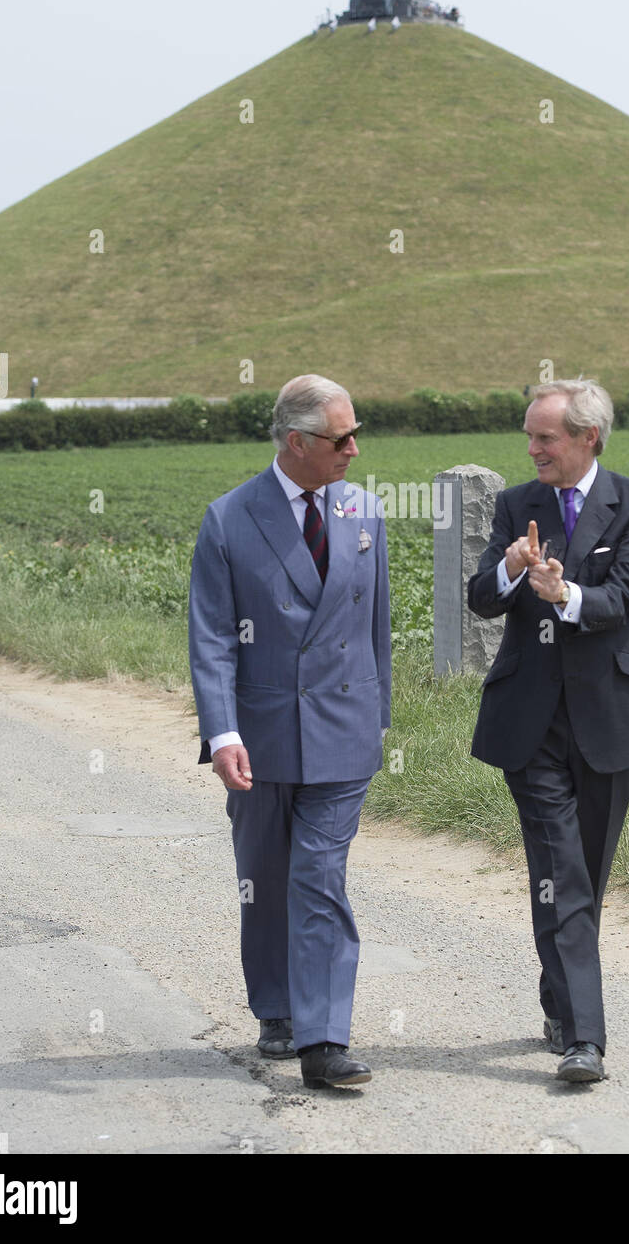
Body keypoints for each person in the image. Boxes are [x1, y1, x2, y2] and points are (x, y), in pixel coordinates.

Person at [468, 379, 629, 1083]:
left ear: (587, 437)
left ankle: (560, 997)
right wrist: (511, 568)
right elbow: (479, 598)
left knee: (583, 873)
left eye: (545, 438)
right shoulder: (515, 505)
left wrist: (567, 594)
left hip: (612, 720)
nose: (532, 450)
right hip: (528, 720)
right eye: (529, 436)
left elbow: (627, 597)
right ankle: (585, 1040)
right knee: (561, 871)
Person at [188, 374, 391, 1089]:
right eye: (342, 438)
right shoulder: (229, 519)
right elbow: (212, 638)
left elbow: (375, 632)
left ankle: (324, 1037)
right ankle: (275, 1005)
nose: (355, 450)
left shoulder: (367, 513)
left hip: (343, 731)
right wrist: (221, 733)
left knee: (319, 878)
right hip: (261, 737)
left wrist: (378, 720)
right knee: (266, 876)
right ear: (297, 442)